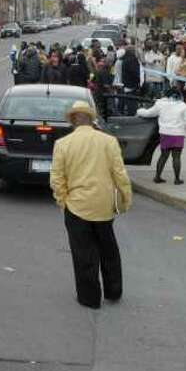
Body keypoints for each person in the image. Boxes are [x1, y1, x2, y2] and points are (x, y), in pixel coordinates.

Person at [49, 100, 132, 309]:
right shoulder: (109, 141)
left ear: (73, 120)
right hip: (104, 205)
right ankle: (114, 291)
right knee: (109, 249)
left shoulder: (63, 144)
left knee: (83, 253)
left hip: (77, 205)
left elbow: (57, 178)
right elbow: (120, 174)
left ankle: (89, 298)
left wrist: (63, 200)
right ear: (91, 119)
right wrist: (125, 200)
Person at [137, 87, 186, 185]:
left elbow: (149, 113)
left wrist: (139, 111)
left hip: (165, 133)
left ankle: (157, 177)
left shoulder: (160, 104)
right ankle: (177, 179)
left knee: (163, 156)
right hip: (178, 134)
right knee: (176, 157)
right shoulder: (183, 106)